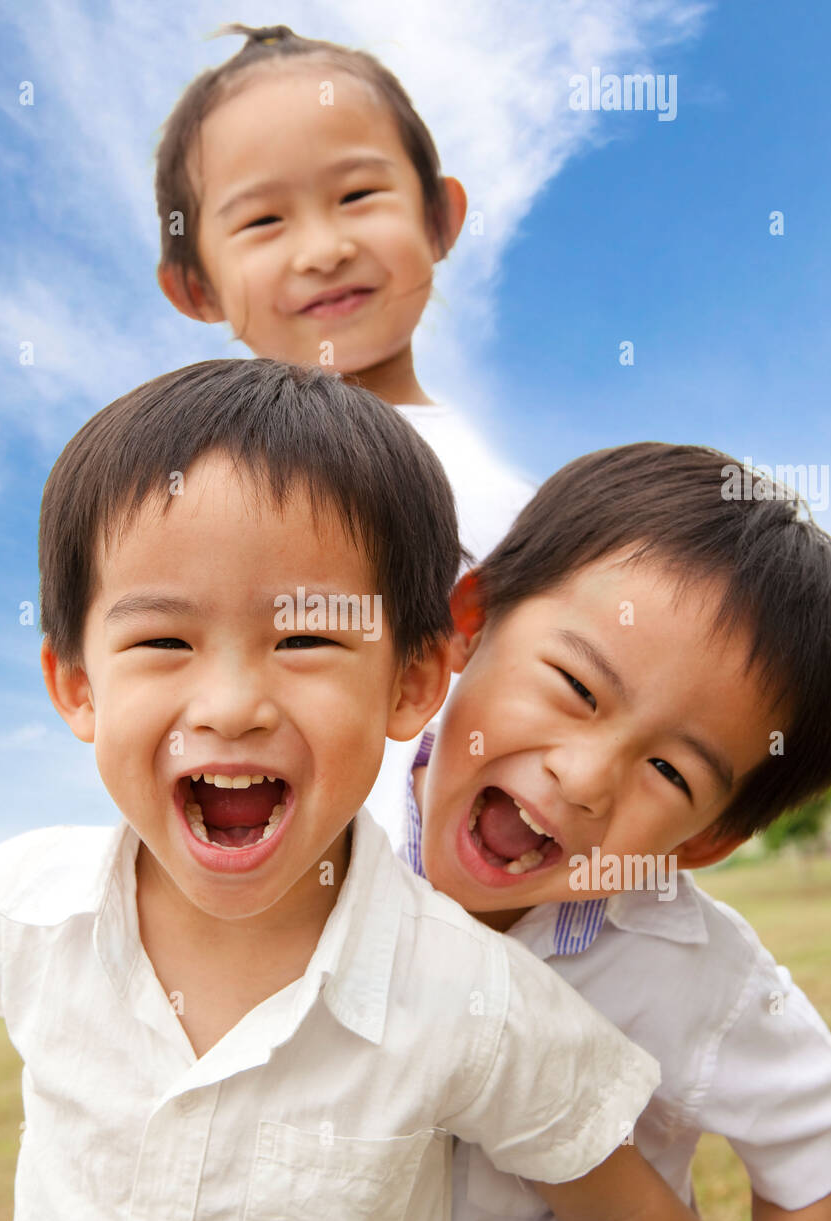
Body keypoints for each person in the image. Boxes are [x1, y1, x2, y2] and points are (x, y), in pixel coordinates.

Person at [0, 358, 700, 1221]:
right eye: (163, 639)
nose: (232, 706)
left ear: (413, 680)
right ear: (77, 685)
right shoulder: (20, 908)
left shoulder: (471, 998)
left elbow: (634, 1214)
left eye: (305, 637)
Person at [404, 442, 831, 1221]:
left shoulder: (691, 970)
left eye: (669, 771)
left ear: (705, 840)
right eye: (577, 687)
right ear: (472, 619)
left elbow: (815, 1134)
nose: (586, 779)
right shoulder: (328, 839)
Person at [152, 22, 537, 849]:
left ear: (440, 217)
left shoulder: (527, 510)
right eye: (261, 222)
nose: (325, 249)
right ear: (194, 285)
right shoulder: (190, 503)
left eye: (359, 197)